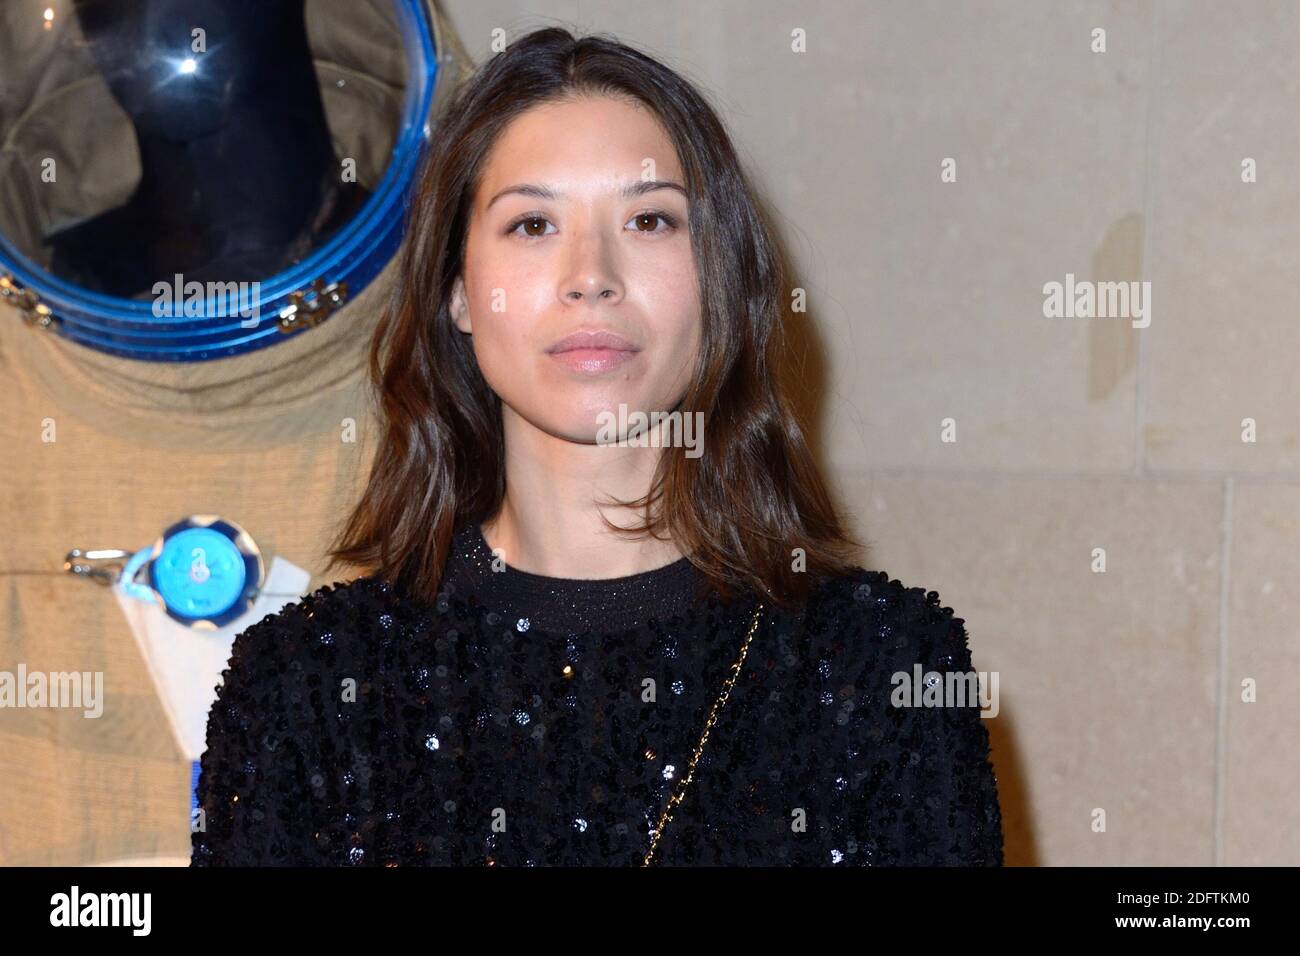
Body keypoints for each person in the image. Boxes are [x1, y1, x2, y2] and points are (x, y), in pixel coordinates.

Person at [190, 26, 1004, 867]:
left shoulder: (884, 671)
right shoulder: (305, 688)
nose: (592, 274)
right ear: (457, 292)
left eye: (650, 219)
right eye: (533, 223)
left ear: (721, 281)